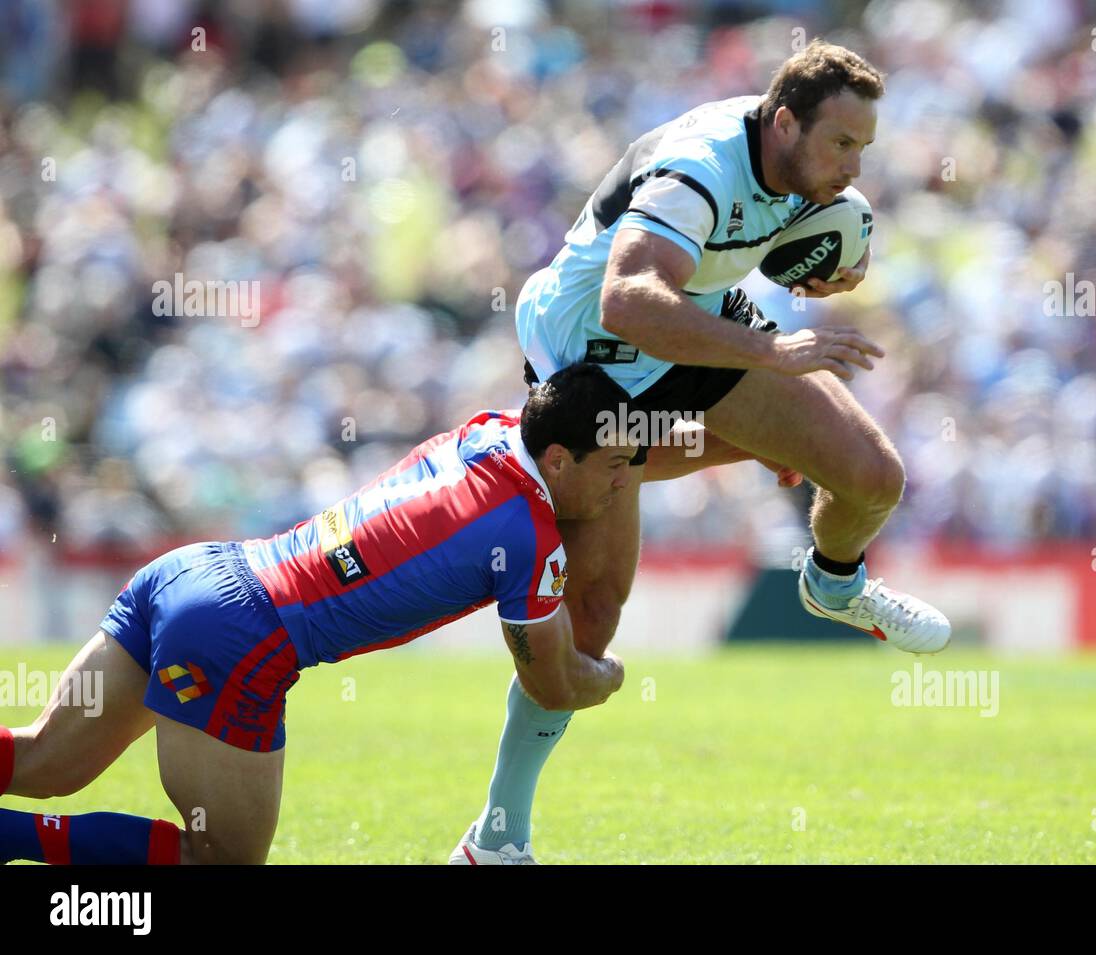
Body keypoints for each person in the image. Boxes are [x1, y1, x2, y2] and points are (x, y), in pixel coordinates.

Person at [451, 39, 951, 864]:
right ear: (784, 122)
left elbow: (768, 252)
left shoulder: (803, 175)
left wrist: (820, 270)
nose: (853, 168)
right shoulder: (699, 170)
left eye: (863, 148)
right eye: (841, 145)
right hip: (592, 360)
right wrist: (769, 353)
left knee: (872, 477)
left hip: (691, 330)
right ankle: (496, 837)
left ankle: (833, 582)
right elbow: (629, 296)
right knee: (594, 620)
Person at [0, 363, 632, 864]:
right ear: (556, 459)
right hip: (241, 634)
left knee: (42, 762)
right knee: (222, 862)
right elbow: (550, 683)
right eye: (613, 467)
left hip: (190, 572)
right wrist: (610, 675)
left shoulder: (490, 427)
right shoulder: (529, 535)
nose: (622, 485)